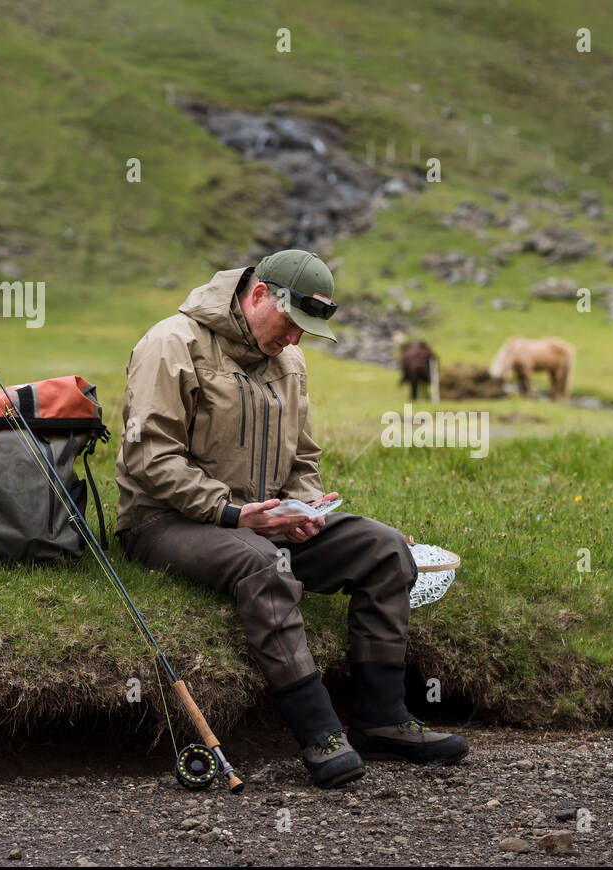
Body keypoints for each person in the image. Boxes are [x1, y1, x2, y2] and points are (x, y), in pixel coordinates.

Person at [114, 249, 467, 788]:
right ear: (258, 294)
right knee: (263, 564)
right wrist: (232, 513)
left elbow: (302, 458)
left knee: (386, 547)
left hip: (265, 519)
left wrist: (305, 511)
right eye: (291, 324)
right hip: (167, 522)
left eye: (306, 331)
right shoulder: (171, 344)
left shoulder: (290, 361)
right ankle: (320, 732)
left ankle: (383, 719)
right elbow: (150, 458)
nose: (295, 341)